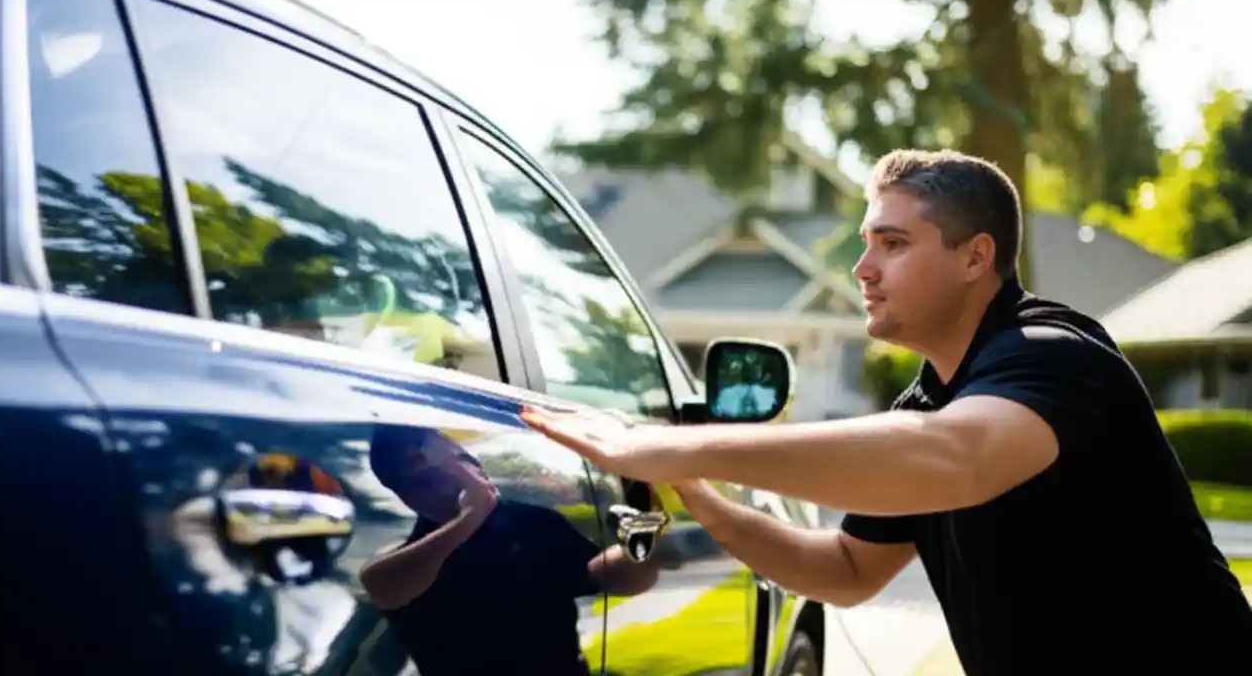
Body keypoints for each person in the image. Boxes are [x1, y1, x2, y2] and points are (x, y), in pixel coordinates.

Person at [521, 148, 1252, 675]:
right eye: (866, 243)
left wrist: (679, 449)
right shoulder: (931, 400)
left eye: (893, 244)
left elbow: (953, 458)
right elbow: (845, 570)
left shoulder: (1053, 353)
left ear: (976, 258)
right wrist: (700, 498)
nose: (862, 269)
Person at [360, 426, 659, 676]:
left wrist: (638, 535)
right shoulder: (412, 557)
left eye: (463, 459)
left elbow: (609, 578)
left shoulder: (531, 524)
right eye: (431, 471)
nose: (462, 472)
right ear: (405, 492)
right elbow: (382, 585)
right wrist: (470, 516)